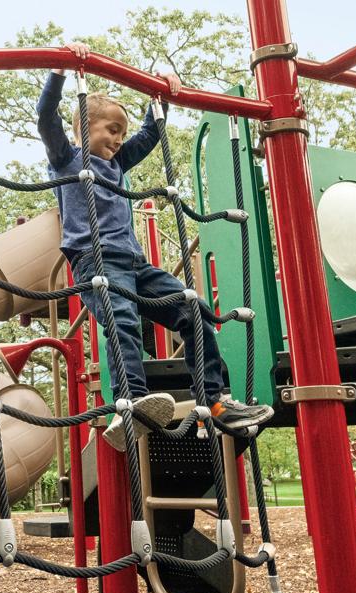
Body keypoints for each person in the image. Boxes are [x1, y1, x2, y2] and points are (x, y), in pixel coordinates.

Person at [37, 42, 274, 451]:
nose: (117, 140)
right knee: (123, 321)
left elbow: (150, 135)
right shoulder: (67, 160)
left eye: (121, 133)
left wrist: (159, 96)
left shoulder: (115, 163)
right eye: (110, 130)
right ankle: (131, 405)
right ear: (81, 127)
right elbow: (45, 118)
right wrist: (59, 71)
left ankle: (215, 403)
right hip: (95, 259)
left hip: (135, 264)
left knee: (195, 309)